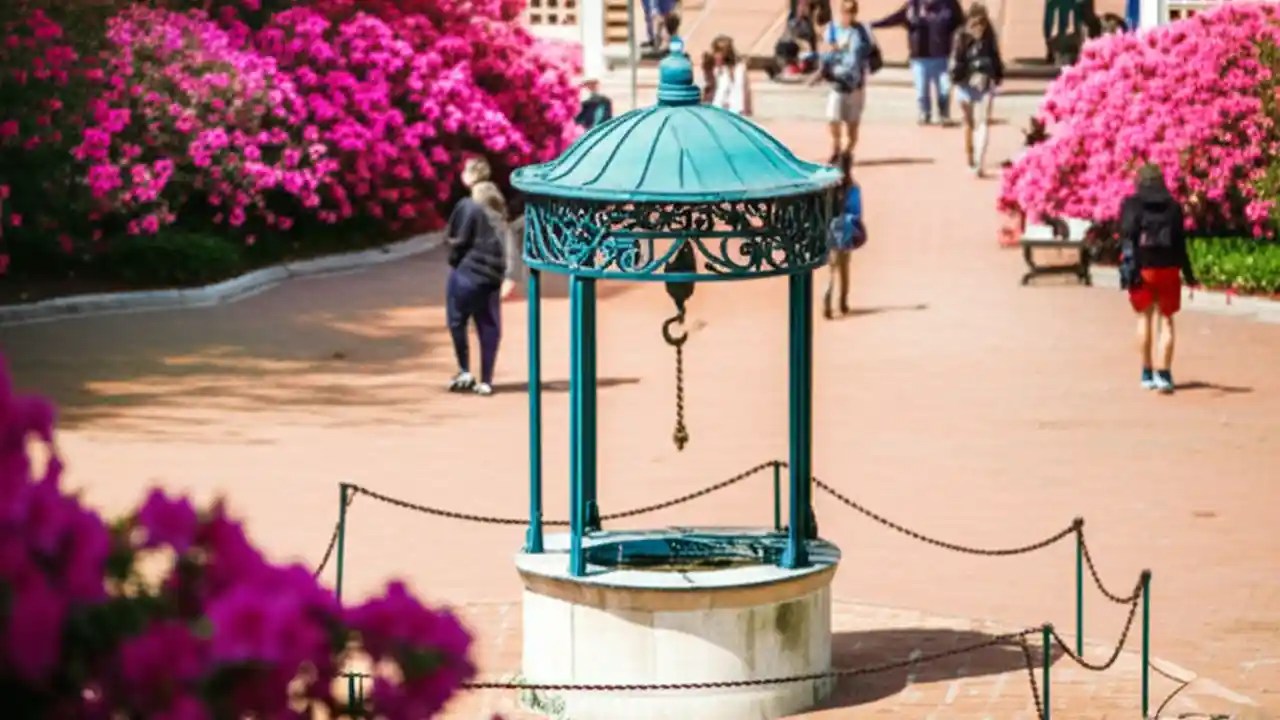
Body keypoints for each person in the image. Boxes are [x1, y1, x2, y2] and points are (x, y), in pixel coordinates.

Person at [1118, 164, 1199, 394]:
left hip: (1143, 268)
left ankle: (1146, 372)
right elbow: (1180, 242)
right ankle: (1164, 374)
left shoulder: (1132, 205)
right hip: (1169, 268)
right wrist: (1189, 273)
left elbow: (1125, 235)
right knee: (1167, 320)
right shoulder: (1173, 207)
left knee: (1144, 319)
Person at [444, 157, 518, 397]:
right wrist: (509, 274)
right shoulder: (496, 202)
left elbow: (458, 241)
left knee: (457, 320)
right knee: (488, 325)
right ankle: (486, 379)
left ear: (470, 176)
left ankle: (465, 370)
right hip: (491, 276)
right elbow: (507, 236)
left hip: (468, 273)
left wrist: (453, 260)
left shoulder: (468, 206)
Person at [872, 0, 963, 125]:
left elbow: (961, 24)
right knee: (921, 90)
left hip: (942, 57)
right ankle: (924, 113)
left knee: (945, 89)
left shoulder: (949, 4)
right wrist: (873, 25)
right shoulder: (913, 6)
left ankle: (944, 114)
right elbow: (895, 18)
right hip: (920, 58)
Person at [812, 0, 881, 163]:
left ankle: (847, 152)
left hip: (856, 84)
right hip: (837, 83)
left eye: (852, 12)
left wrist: (869, 62)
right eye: (845, 11)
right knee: (832, 118)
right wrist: (822, 70)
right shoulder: (833, 30)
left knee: (852, 125)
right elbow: (824, 50)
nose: (848, 15)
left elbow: (873, 52)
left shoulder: (863, 31)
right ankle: (836, 146)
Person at [949, 3, 1004, 177]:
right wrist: (964, 75)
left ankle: (979, 160)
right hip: (965, 84)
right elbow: (957, 62)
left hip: (985, 85)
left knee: (983, 122)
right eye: (976, 22)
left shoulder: (989, 37)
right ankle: (970, 156)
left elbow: (996, 57)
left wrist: (996, 75)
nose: (979, 26)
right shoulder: (961, 37)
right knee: (969, 123)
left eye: (983, 22)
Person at [824, 152, 865, 319]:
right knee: (844, 267)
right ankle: (842, 302)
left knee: (832, 268)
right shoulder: (853, 188)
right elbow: (856, 211)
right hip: (845, 229)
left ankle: (827, 300)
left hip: (830, 229)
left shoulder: (827, 188)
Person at [704, 35, 752, 115]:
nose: (715, 55)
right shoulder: (713, 69)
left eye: (718, 52)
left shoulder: (739, 69)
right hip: (715, 110)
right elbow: (709, 89)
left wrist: (747, 110)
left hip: (735, 111)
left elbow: (745, 90)